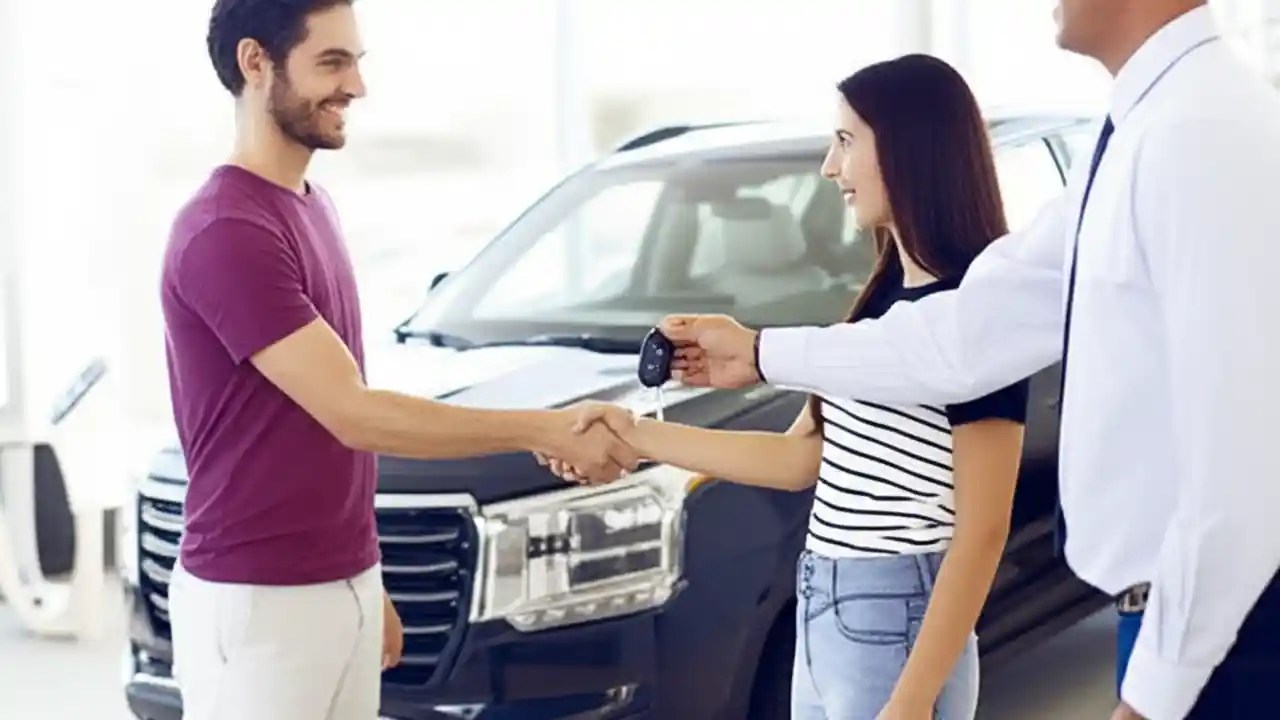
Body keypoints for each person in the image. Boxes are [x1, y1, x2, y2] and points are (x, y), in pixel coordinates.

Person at [654, 2, 1280, 718]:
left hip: (1230, 634)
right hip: (1182, 623)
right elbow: (962, 337)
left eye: (845, 141)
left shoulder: (1203, 131)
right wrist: (763, 352)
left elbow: (1245, 459)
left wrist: (1154, 696)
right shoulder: (1148, 127)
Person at [160, 2, 637, 719]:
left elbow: (317, 438)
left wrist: (362, 577)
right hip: (259, 602)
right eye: (332, 62)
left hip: (333, 587)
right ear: (255, 62)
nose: (356, 86)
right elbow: (354, 413)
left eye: (355, 61)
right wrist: (544, 429)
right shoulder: (229, 230)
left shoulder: (309, 205)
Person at [543, 55, 1029, 720]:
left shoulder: (973, 316)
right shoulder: (880, 301)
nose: (830, 167)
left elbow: (983, 529)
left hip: (897, 612)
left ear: (912, 149)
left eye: (847, 141)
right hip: (829, 603)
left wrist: (911, 702)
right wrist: (635, 433)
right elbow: (800, 458)